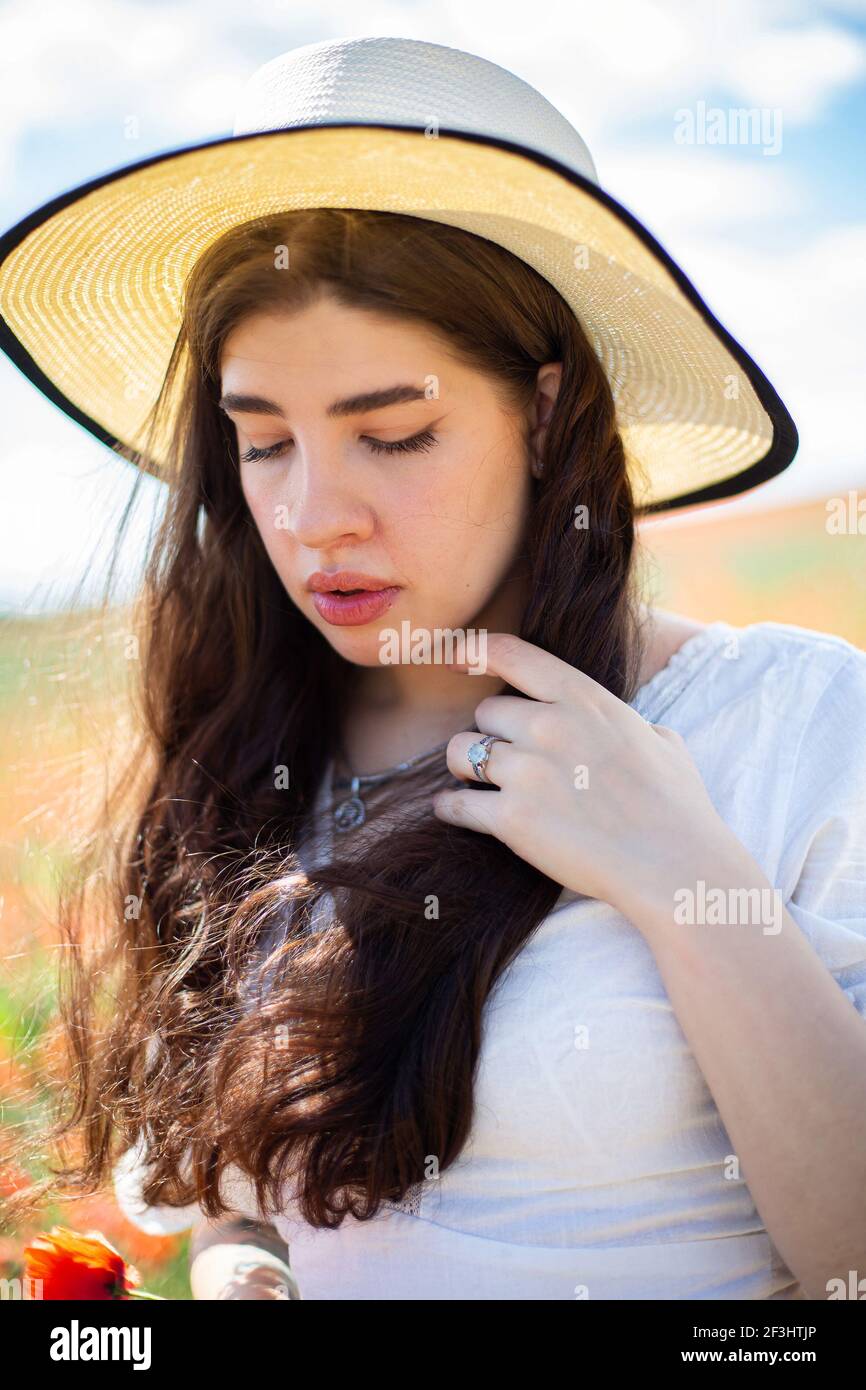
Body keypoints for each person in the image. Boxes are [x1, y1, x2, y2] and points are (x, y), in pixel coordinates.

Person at [1, 37, 864, 1302]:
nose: (311, 517)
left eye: (392, 434)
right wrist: (247, 1271)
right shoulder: (248, 753)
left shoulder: (792, 720)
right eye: (263, 445)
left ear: (549, 415)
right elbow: (253, 1220)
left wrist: (682, 877)